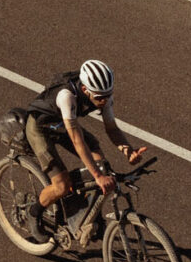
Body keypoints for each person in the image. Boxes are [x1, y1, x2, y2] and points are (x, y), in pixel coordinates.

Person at [21, 58, 148, 231]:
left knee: (103, 167)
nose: (105, 101)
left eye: (108, 95)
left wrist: (127, 150)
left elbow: (112, 129)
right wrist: (97, 176)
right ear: (84, 89)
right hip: (40, 128)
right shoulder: (66, 96)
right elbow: (76, 140)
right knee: (62, 185)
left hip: (61, 124)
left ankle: (89, 214)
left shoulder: (102, 94)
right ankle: (33, 212)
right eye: (100, 98)